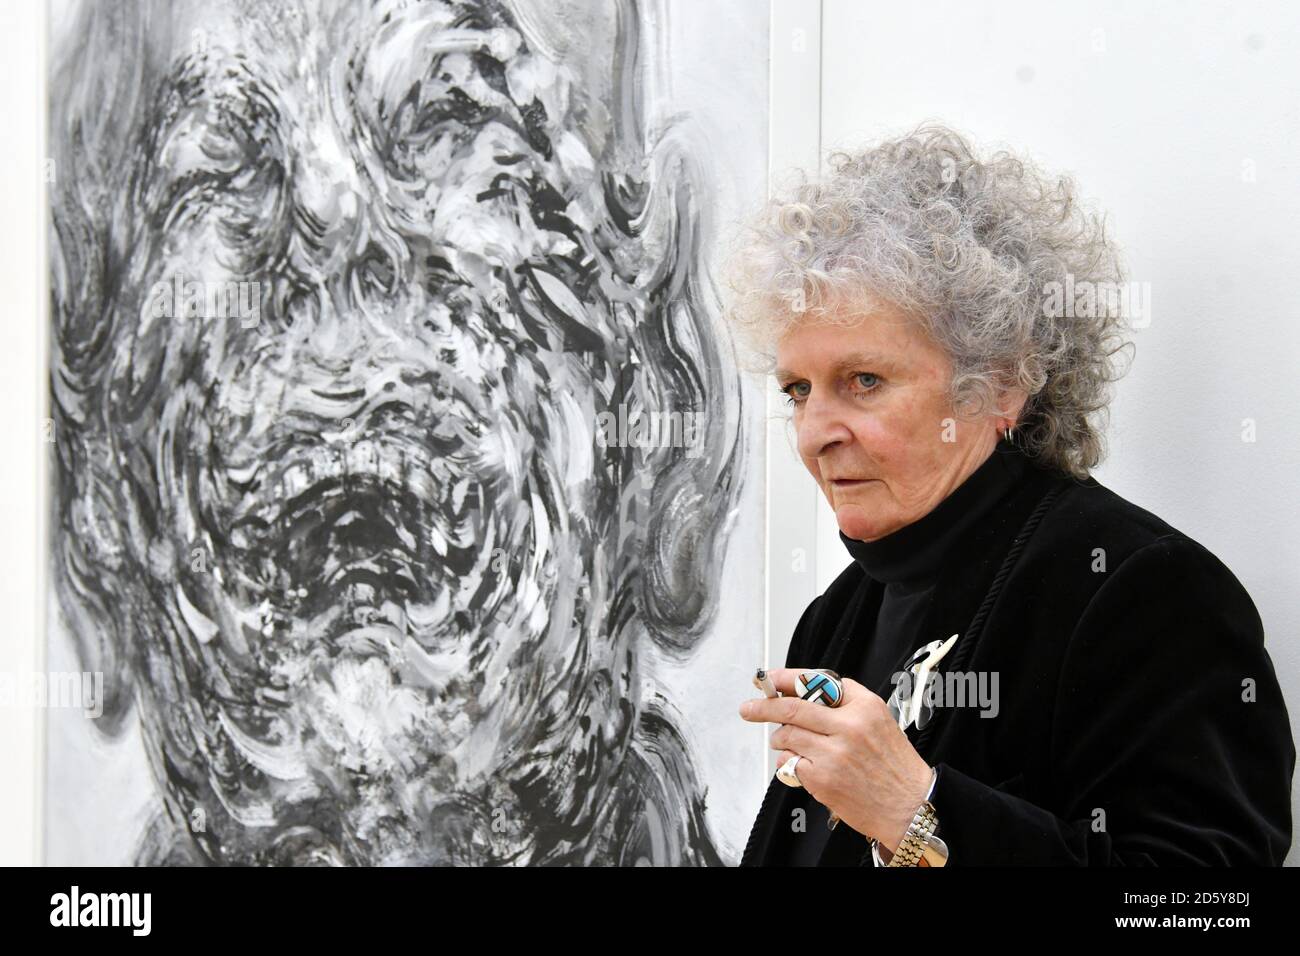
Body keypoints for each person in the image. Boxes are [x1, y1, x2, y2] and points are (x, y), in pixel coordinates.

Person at [722, 123, 1295, 866]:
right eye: (799, 390)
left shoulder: (1142, 591)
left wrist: (918, 815)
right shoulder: (838, 615)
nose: (814, 432)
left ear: (1000, 384)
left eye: (864, 381)